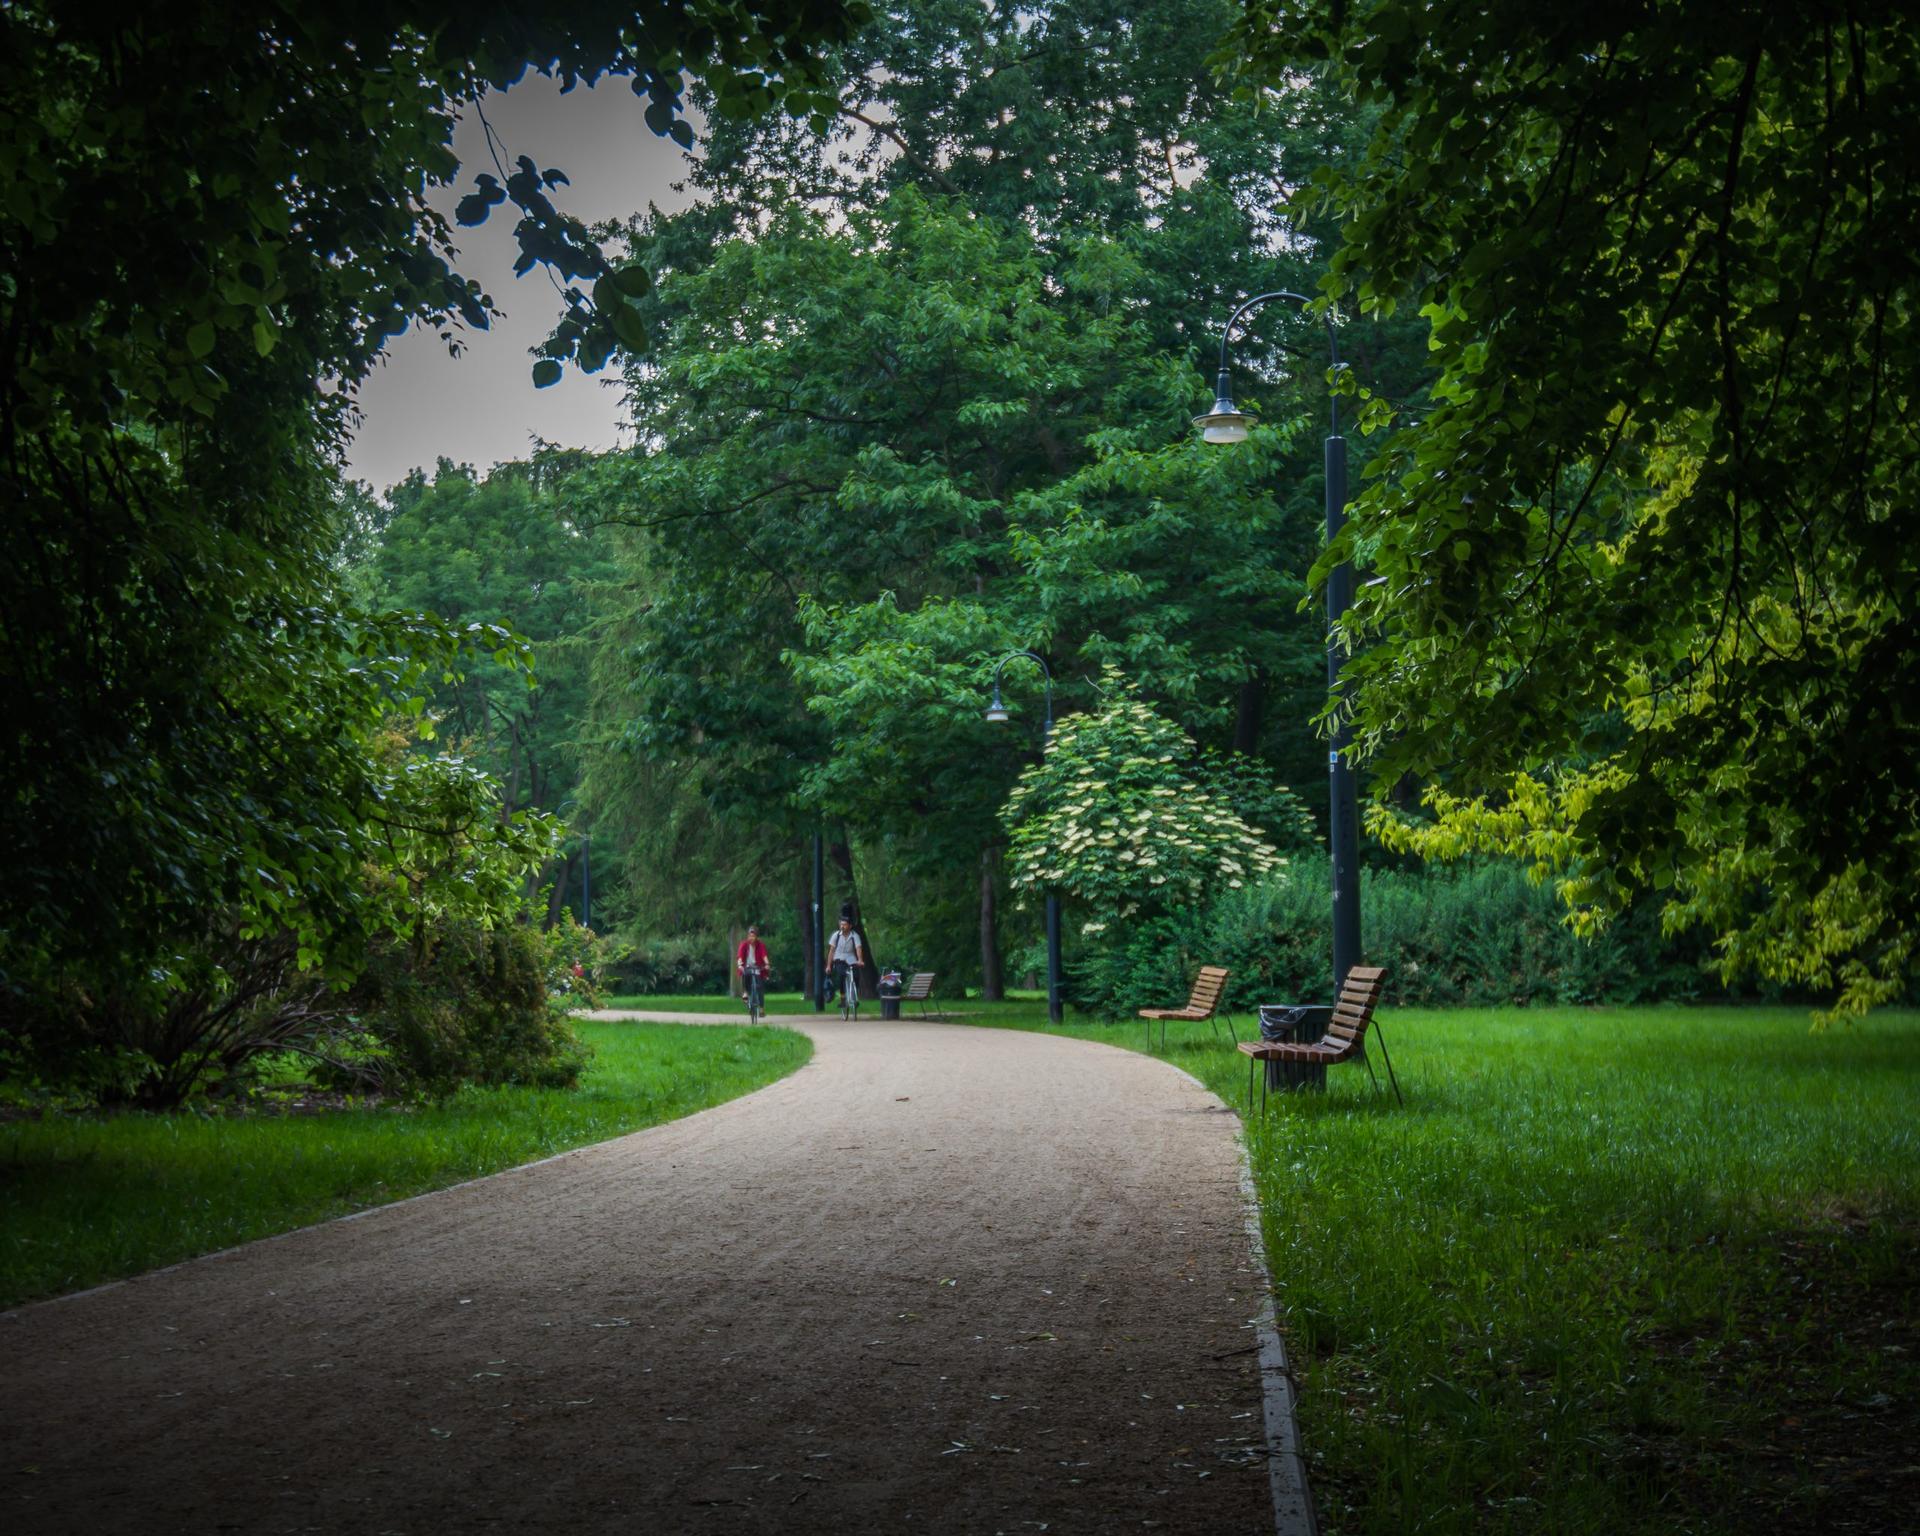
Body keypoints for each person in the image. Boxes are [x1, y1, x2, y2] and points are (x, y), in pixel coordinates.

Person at [824, 915, 864, 1009]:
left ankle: (854, 996)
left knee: (856, 974)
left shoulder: (855, 936)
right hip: (839, 958)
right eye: (841, 924)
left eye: (845, 925)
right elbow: (831, 951)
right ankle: (842, 999)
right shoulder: (836, 935)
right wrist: (829, 966)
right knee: (842, 975)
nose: (842, 926)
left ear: (850, 926)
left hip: (851, 958)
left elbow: (858, 948)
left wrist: (860, 960)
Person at [736, 926, 771, 1016]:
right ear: (747, 936)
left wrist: (767, 964)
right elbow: (739, 956)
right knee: (745, 974)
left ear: (756, 937)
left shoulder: (760, 945)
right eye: (750, 936)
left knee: (760, 988)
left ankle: (761, 1009)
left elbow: (764, 955)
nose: (751, 938)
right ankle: (746, 992)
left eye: (753, 936)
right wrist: (740, 964)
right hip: (747, 966)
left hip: (757, 967)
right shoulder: (744, 945)